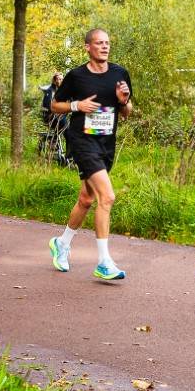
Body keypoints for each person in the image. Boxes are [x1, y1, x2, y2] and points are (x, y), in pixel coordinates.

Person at [47, 29, 136, 282]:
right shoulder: (77, 76)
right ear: (88, 47)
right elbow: (55, 105)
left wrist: (123, 100)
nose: (105, 47)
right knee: (106, 197)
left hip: (106, 143)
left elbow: (128, 111)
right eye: (99, 43)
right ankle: (104, 262)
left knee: (86, 199)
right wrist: (77, 106)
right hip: (82, 141)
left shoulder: (120, 74)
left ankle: (61, 243)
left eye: (107, 43)